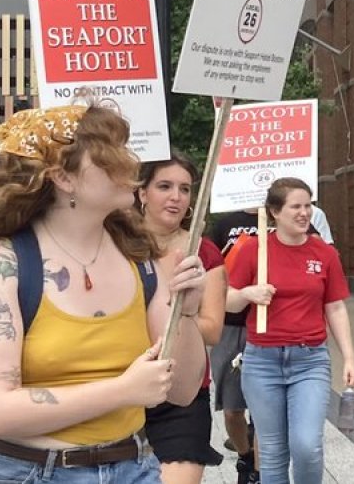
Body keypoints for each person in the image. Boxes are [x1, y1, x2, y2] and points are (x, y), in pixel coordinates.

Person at [0, 104, 208, 483]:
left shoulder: (140, 260)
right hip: (17, 473)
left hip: (130, 468)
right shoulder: (2, 264)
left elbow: (182, 389)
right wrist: (122, 391)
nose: (131, 160)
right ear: (63, 177)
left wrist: (188, 314)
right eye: (112, 150)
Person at [226, 178, 354, 484]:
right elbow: (228, 302)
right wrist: (248, 294)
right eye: (295, 206)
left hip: (310, 360)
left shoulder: (324, 253)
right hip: (262, 362)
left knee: (307, 445)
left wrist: (349, 357)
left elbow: (335, 307)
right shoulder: (252, 250)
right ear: (274, 211)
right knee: (271, 451)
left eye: (308, 205)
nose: (304, 213)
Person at [138, 152, 227, 483]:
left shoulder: (203, 252)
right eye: (164, 186)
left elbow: (213, 329)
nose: (176, 197)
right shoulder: (112, 245)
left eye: (185, 189)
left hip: (182, 394)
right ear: (141, 192)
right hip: (122, 389)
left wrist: (178, 315)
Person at [209, 208, 262, 484]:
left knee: (266, 409)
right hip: (229, 323)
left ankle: (261, 470)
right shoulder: (226, 224)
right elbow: (210, 268)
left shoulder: (284, 217)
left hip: (268, 325)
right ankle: (245, 455)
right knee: (232, 408)